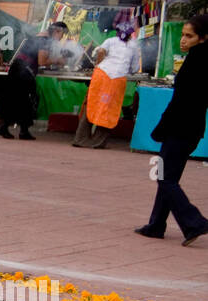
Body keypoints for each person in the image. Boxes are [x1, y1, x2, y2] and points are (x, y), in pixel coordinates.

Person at [135, 14, 208, 247]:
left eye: (190, 36)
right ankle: (156, 225)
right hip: (190, 128)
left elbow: (181, 102)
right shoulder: (197, 58)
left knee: (164, 176)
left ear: (203, 38)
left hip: (181, 128)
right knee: (168, 176)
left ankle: (194, 222)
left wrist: (161, 128)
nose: (183, 40)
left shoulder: (197, 62)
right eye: (183, 35)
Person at [72, 22, 141, 149]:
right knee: (109, 109)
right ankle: (97, 142)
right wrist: (130, 70)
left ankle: (80, 139)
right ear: (131, 34)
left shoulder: (110, 40)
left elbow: (101, 51)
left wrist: (98, 65)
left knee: (92, 104)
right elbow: (135, 68)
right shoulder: (133, 46)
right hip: (117, 79)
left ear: (117, 32)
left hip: (101, 75)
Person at [0, 21, 69, 140]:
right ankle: (22, 131)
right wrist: (57, 60)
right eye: (63, 33)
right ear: (57, 31)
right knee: (27, 100)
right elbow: (42, 61)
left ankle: (5, 127)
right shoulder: (45, 40)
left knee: (13, 98)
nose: (62, 37)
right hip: (24, 71)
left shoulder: (40, 37)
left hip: (18, 68)